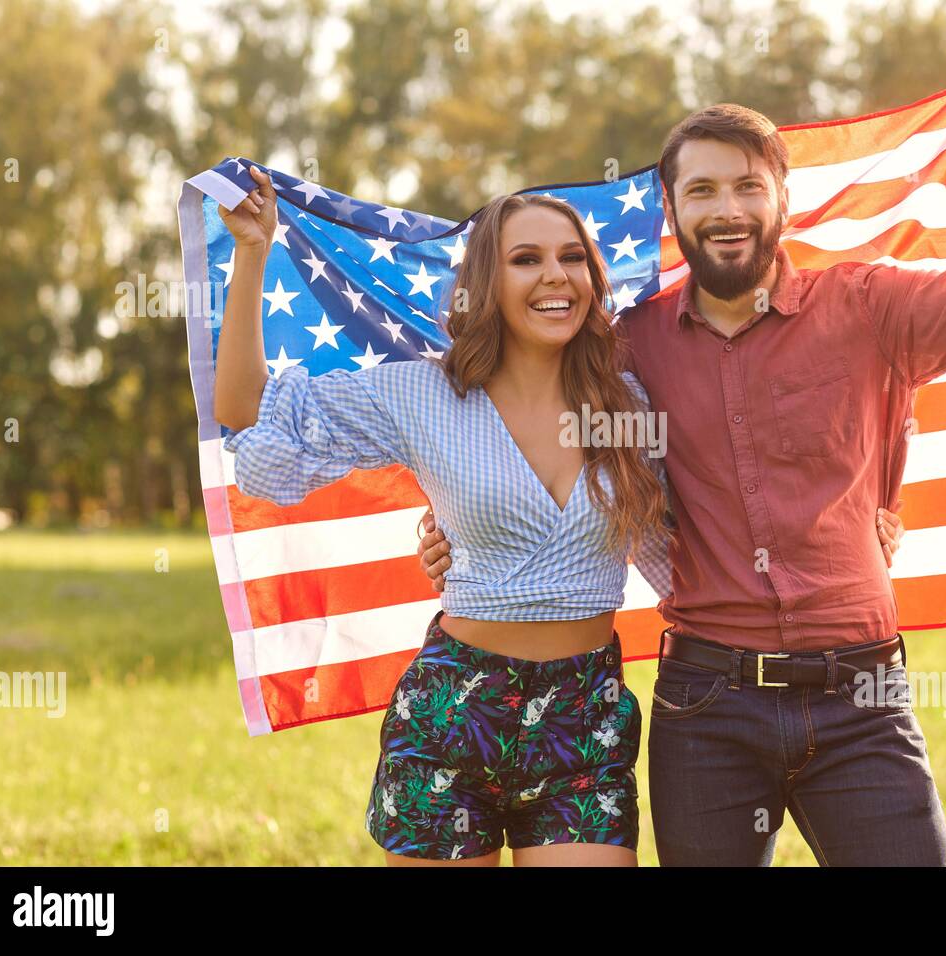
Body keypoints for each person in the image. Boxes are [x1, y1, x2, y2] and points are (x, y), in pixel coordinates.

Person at [417, 56, 946, 865]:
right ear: (673, 209)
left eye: (747, 187)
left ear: (782, 201)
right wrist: (451, 521)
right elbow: (517, 424)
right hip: (707, 705)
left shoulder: (866, 306)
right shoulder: (627, 348)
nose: (727, 210)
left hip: (861, 697)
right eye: (701, 191)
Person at [213, 167, 678, 866]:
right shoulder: (425, 393)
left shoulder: (631, 406)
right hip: (452, 715)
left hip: (584, 717)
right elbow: (245, 416)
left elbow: (720, 507)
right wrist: (254, 254)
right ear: (486, 284)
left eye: (572, 256)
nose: (556, 276)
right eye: (527, 259)